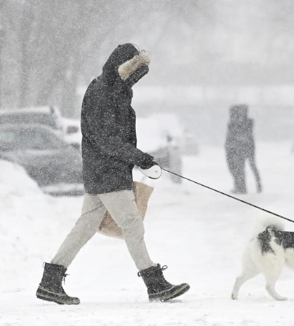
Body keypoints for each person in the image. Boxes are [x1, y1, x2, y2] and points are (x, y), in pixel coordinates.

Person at [36, 43, 190, 305]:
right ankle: (155, 284)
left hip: (105, 169)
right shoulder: (103, 93)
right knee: (131, 224)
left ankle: (50, 281)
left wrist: (137, 159)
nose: (134, 79)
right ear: (123, 68)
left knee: (86, 225)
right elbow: (107, 139)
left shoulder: (115, 91)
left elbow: (112, 137)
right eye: (133, 72)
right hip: (107, 170)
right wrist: (140, 158)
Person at [225, 104, 261, 194]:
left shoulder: (248, 122)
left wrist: (238, 138)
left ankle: (257, 186)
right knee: (235, 168)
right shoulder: (232, 123)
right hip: (234, 148)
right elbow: (231, 135)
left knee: (251, 166)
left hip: (246, 148)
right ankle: (239, 186)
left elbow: (246, 135)